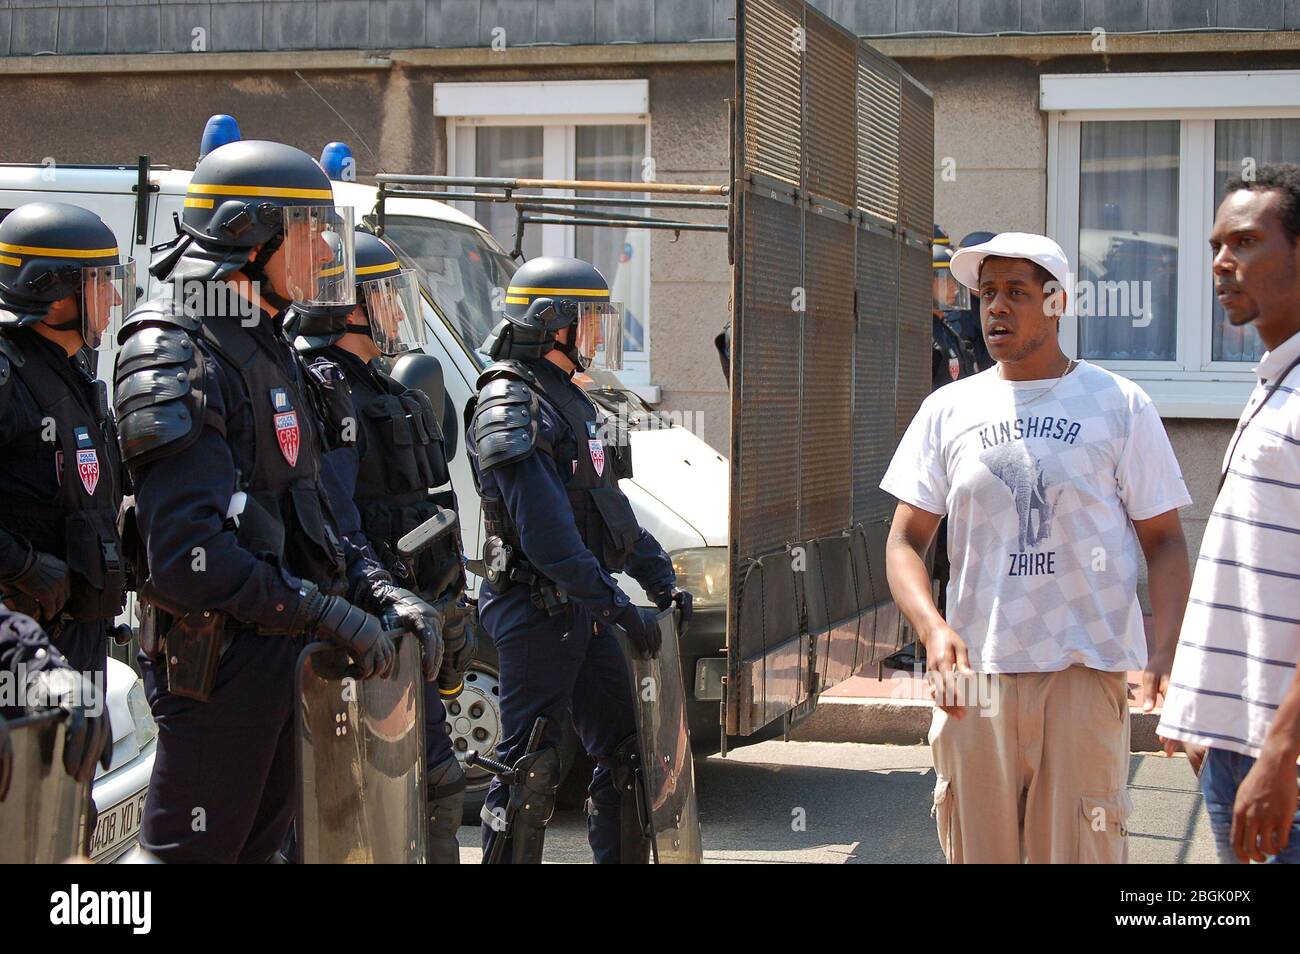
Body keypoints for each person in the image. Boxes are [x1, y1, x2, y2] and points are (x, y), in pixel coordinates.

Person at [113, 139, 439, 863]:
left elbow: (318, 516)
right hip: (217, 667)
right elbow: (186, 561)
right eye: (308, 230)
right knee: (187, 857)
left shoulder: (273, 347)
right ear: (248, 235)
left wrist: (379, 591)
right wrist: (326, 613)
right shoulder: (175, 344)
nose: (326, 248)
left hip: (284, 660)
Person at [882, 231, 1193, 863]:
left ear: (1056, 303)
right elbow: (905, 541)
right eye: (986, 292)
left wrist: (1165, 652)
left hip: (1082, 674)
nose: (994, 307)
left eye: (1016, 293)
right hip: (977, 682)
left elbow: (1163, 543)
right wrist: (932, 627)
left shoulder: (1119, 404)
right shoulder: (948, 410)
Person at [465, 256, 691, 863]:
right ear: (553, 322)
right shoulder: (509, 399)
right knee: (528, 771)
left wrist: (660, 578)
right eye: (589, 320)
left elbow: (608, 510)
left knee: (626, 756)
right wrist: (619, 609)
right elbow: (548, 538)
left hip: (582, 609)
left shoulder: (570, 398)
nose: (597, 335)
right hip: (534, 610)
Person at [287, 228, 472, 864]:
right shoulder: (324, 390)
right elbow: (337, 524)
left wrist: (448, 602)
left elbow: (426, 509)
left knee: (439, 787)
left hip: (411, 618)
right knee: (357, 803)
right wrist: (386, 599)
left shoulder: (385, 387)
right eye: (386, 297)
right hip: (368, 626)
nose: (397, 311)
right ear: (350, 308)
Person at [1158, 163, 1300, 864]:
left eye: (1244, 243)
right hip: (1234, 744)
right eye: (1216, 244)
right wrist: (1197, 703)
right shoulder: (1274, 383)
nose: (1220, 262)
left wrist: (1281, 751)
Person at [0, 202, 134, 694]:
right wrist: (22, 566)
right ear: (53, 292)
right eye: (100, 282)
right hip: (23, 648)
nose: (115, 296)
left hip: (78, 634)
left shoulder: (70, 371)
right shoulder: (9, 373)